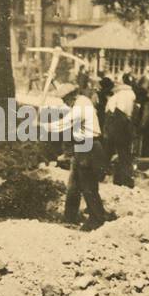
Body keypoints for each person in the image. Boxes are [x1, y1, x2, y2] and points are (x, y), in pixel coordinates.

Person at [49, 77, 110, 230]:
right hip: (82, 146)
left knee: (87, 184)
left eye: (65, 99)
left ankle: (97, 218)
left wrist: (43, 126)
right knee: (74, 184)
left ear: (72, 95)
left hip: (89, 146)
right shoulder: (79, 103)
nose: (64, 103)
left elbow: (67, 122)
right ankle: (70, 216)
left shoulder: (82, 104)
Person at [102, 75, 137, 186]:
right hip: (119, 122)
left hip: (114, 121)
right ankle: (125, 178)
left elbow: (111, 112)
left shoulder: (117, 96)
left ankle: (99, 174)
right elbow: (122, 112)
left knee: (108, 150)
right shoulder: (128, 95)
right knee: (123, 151)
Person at [131, 75, 149, 158]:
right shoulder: (145, 102)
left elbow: (145, 118)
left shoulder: (147, 103)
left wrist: (139, 129)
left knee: (148, 149)